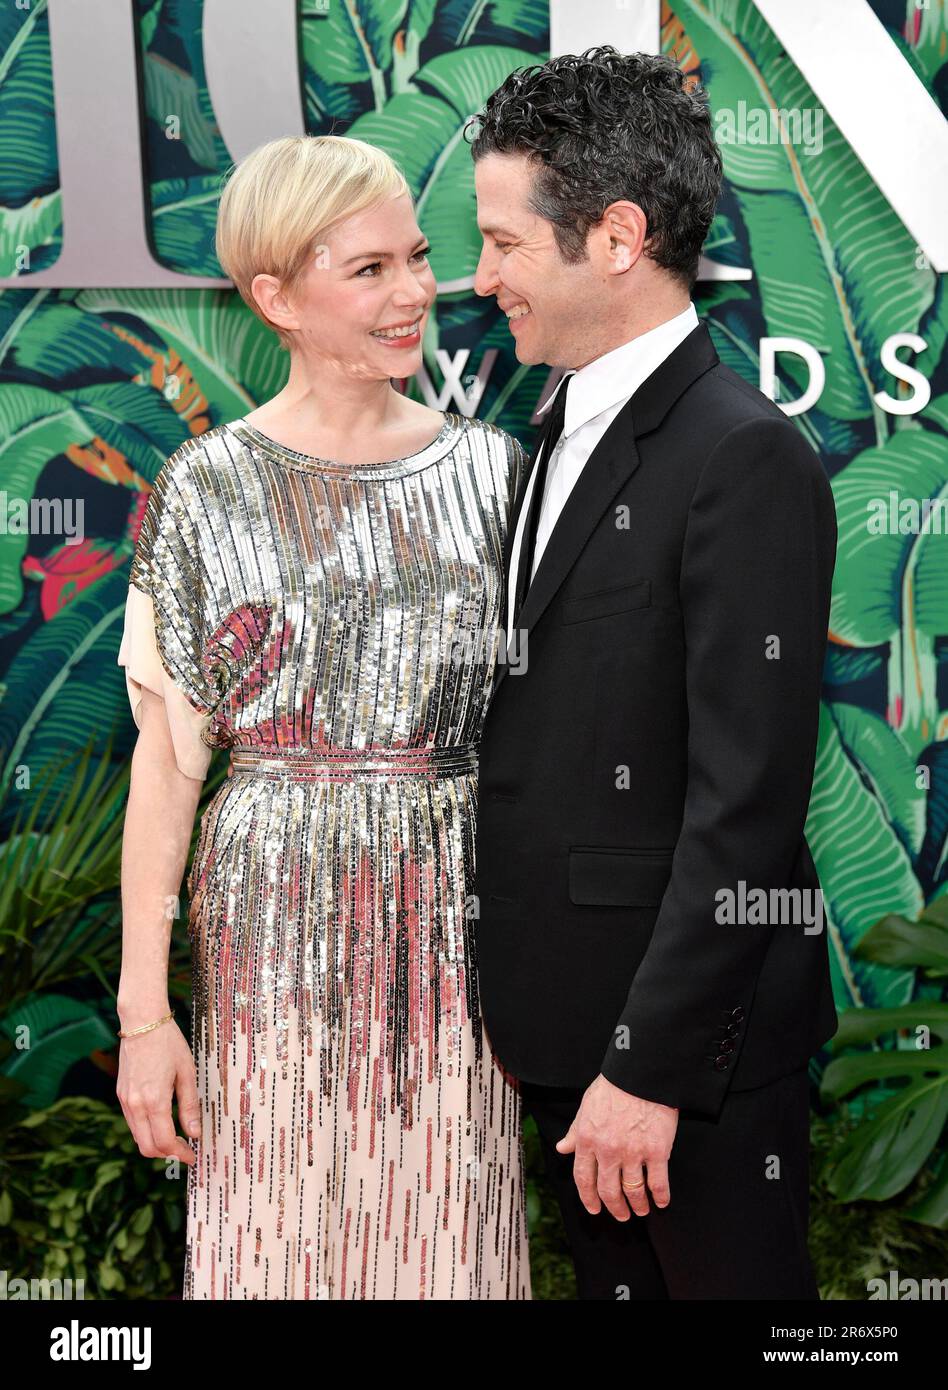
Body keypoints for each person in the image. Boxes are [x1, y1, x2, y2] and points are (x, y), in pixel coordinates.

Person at [115, 134, 531, 1300]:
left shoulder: (502, 477)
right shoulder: (202, 489)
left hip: (454, 924)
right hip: (267, 931)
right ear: (274, 297)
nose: (415, 293)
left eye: (416, 257)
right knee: (275, 1238)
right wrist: (144, 1016)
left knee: (446, 1239)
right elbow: (166, 769)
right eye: (369, 271)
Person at [466, 48, 839, 1300]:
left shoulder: (742, 455)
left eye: (505, 243)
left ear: (615, 237)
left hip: (683, 1073)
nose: (481, 278)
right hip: (574, 1047)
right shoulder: (555, 427)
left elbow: (747, 807)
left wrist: (650, 1069)